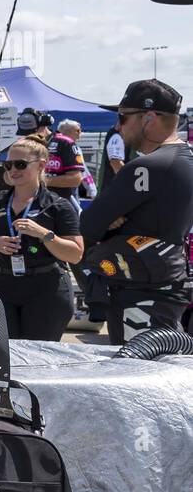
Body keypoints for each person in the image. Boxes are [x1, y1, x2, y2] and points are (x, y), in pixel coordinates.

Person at [80, 80, 193, 345]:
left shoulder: (147, 167)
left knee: (136, 377)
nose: (118, 126)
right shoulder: (185, 160)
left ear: (149, 118)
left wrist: (111, 225)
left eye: (123, 117)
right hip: (164, 287)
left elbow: (88, 225)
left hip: (139, 295)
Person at [0, 138, 84, 341]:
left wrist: (44, 234)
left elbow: (76, 254)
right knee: (2, 357)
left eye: (21, 164)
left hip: (46, 288)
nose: (13, 169)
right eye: (8, 165)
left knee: (39, 359)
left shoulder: (57, 205)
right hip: (2, 285)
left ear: (41, 165)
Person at [36, 113, 86, 210]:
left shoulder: (67, 144)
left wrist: (39, 180)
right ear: (67, 131)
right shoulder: (25, 143)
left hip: (62, 200)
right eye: (77, 131)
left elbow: (79, 177)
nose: (80, 134)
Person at [98, 117, 131, 194]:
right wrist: (130, 183)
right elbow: (115, 162)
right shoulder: (117, 135)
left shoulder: (119, 133)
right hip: (114, 191)